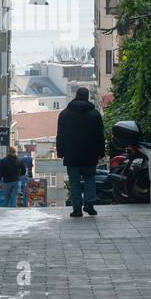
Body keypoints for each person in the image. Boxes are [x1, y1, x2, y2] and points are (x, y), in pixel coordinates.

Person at [56, 87, 106, 217]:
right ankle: (89, 204)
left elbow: (60, 135)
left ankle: (77, 208)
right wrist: (101, 151)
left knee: (74, 181)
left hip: (71, 154)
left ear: (76, 96)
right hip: (90, 154)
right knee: (90, 178)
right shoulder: (94, 114)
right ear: (87, 97)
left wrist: (60, 151)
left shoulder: (64, 114)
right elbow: (100, 135)